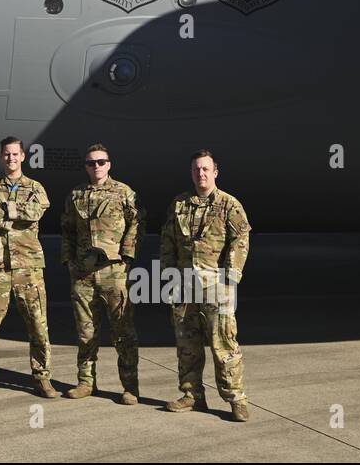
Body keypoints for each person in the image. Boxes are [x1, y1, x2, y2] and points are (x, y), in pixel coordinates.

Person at [160, 149, 251, 421]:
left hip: (216, 286)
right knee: (187, 344)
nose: (201, 173)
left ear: (215, 172)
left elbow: (241, 239)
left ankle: (236, 398)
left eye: (205, 169)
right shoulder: (179, 204)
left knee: (223, 343)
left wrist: (230, 276)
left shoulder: (229, 204)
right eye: (196, 169)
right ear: (191, 172)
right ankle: (192, 395)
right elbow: (168, 241)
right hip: (184, 286)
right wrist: (168, 274)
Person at [0, 136, 54, 398]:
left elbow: (36, 212)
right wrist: (16, 213)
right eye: (6, 154)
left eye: (15, 154)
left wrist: (6, 210)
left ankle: (42, 378)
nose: (11, 159)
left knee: (38, 325)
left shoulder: (36, 187)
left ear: (23, 156)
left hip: (29, 267)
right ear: (1, 157)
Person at [60, 144, 141, 402]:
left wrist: (126, 257)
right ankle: (86, 382)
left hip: (113, 272)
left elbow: (137, 223)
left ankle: (130, 387)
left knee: (123, 332)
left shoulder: (124, 192)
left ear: (109, 164)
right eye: (91, 163)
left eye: (101, 162)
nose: (96, 166)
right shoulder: (75, 195)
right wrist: (69, 262)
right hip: (83, 274)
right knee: (86, 332)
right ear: (86, 166)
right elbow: (67, 230)